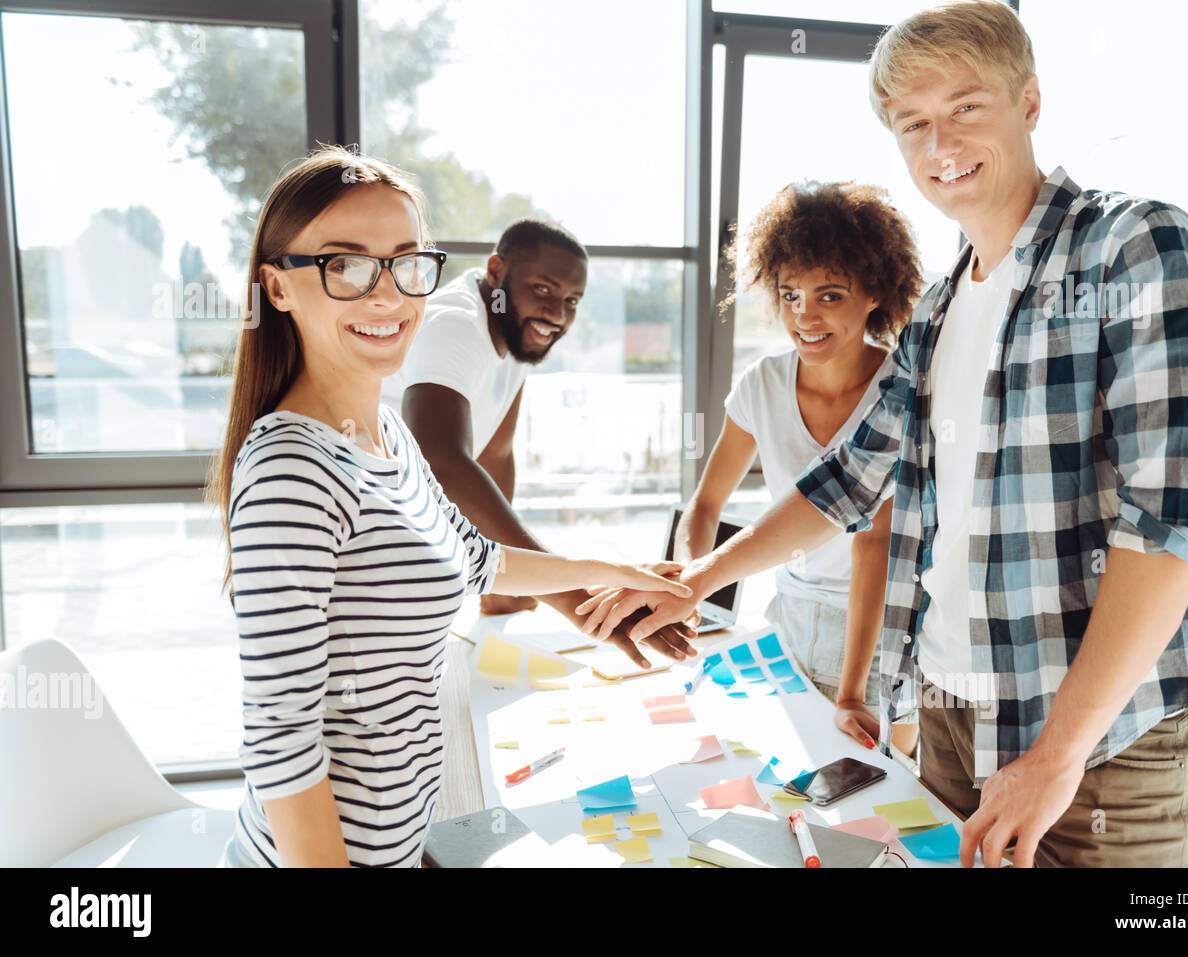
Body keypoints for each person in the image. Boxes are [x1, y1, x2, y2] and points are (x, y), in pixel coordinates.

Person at [576, 0, 1188, 868]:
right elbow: (848, 482)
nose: (940, 145)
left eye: (966, 108)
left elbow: (1172, 523)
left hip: (1099, 748)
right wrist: (695, 581)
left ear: (1029, 101)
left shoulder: (1136, 246)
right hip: (951, 721)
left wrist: (1058, 752)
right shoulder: (938, 308)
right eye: (912, 124)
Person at [209, 145, 692, 867]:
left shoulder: (390, 437)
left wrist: (606, 572)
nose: (387, 295)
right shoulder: (292, 469)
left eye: (405, 261)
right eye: (345, 265)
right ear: (277, 288)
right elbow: (280, 741)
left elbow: (476, 558)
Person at [669, 181, 922, 756]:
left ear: (875, 294)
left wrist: (854, 691)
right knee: (784, 777)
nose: (804, 315)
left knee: (868, 789)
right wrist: (693, 593)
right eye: (790, 295)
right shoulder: (762, 384)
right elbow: (705, 507)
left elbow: (872, 545)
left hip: (877, 630)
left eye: (830, 295)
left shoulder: (902, 395)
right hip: (787, 616)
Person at [384, 220, 697, 670]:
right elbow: (440, 459)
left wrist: (503, 582)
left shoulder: (512, 330)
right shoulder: (456, 324)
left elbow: (496, 455)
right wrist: (575, 601)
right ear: (497, 270)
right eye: (544, 290)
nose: (557, 314)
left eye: (572, 301)